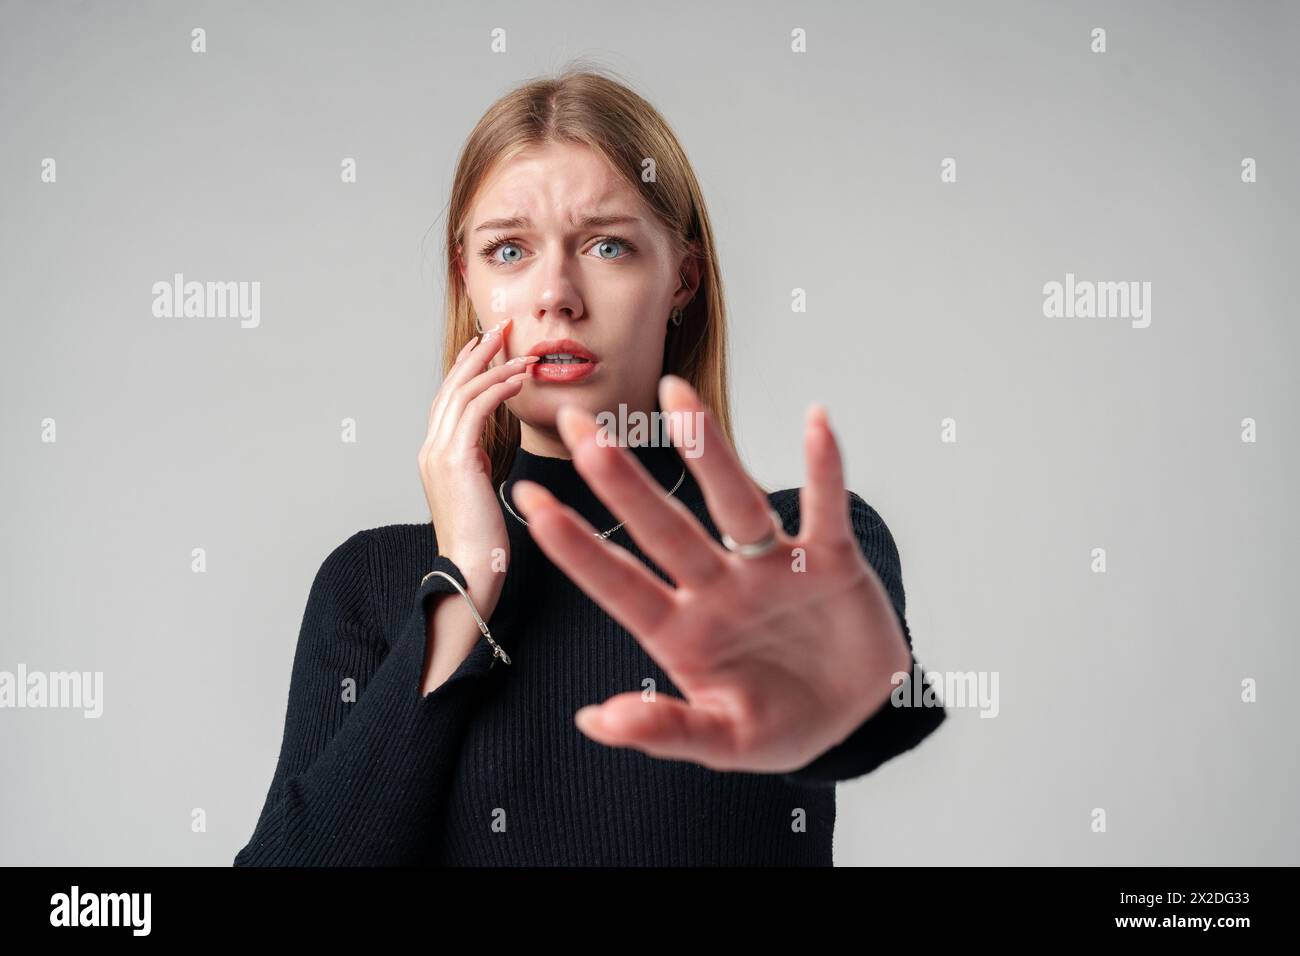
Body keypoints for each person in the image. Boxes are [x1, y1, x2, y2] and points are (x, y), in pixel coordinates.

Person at [233, 67, 946, 867]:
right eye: (509, 250)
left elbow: (874, 711)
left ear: (682, 278)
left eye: (607, 246)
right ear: (466, 281)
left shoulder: (797, 537)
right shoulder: (372, 585)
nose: (557, 295)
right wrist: (466, 578)